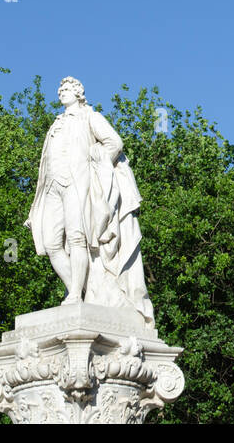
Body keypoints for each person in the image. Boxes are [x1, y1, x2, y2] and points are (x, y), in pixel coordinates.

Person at [25, 77, 155, 328]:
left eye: (67, 89)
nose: (61, 92)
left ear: (79, 92)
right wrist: (35, 208)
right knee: (51, 244)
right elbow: (43, 171)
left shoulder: (90, 117)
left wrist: (98, 167)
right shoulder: (57, 123)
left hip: (77, 183)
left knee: (77, 238)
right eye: (60, 89)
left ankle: (75, 295)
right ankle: (83, 289)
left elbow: (114, 143)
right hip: (52, 188)